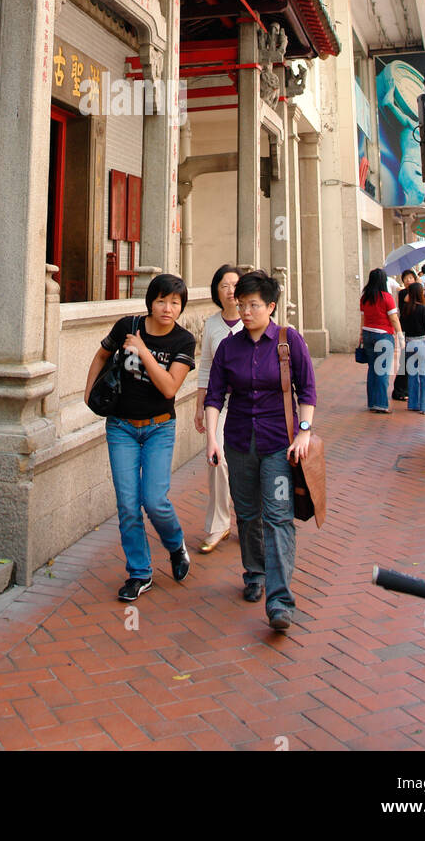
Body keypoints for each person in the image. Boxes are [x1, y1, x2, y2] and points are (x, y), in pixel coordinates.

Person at [204, 270, 317, 633]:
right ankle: (254, 573)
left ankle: (280, 601)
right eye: (242, 304)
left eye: (254, 305)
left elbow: (308, 390)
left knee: (278, 516)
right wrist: (211, 438)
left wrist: (303, 432)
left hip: (279, 447)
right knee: (249, 514)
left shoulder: (288, 341)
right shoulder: (228, 347)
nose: (246, 311)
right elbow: (214, 395)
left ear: (270, 306)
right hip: (238, 443)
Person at [84, 273, 196, 601]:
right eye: (161, 300)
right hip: (121, 427)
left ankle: (175, 546)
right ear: (150, 301)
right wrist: (88, 391)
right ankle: (140, 572)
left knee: (155, 501)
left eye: (175, 303)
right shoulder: (127, 326)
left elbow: (169, 387)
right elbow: (103, 354)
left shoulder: (183, 341)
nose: (167, 308)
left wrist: (144, 351)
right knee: (129, 505)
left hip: (160, 427)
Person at [194, 265, 243, 553]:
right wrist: (200, 405)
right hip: (220, 403)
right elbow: (206, 367)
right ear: (216, 291)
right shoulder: (212, 324)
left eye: (234, 284)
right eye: (223, 285)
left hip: (250, 402)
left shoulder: (252, 320)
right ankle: (219, 524)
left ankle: (250, 518)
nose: (230, 290)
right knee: (217, 458)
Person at [358, 268, 402, 412]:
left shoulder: (364, 297)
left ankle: (372, 402)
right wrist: (400, 334)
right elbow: (394, 319)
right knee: (382, 370)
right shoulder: (386, 297)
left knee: (372, 369)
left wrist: (361, 335)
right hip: (383, 335)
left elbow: (363, 318)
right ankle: (381, 403)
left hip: (367, 334)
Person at [401, 282, 425, 413]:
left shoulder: (405, 309)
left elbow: (402, 327)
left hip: (409, 343)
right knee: (424, 376)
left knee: (412, 375)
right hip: (422, 342)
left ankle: (413, 404)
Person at [392, 269, 416, 400]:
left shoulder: (418, 292)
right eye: (406, 278)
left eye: (410, 278)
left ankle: (407, 389)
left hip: (414, 332)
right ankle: (400, 390)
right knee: (406, 362)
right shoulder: (403, 294)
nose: (408, 280)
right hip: (406, 330)